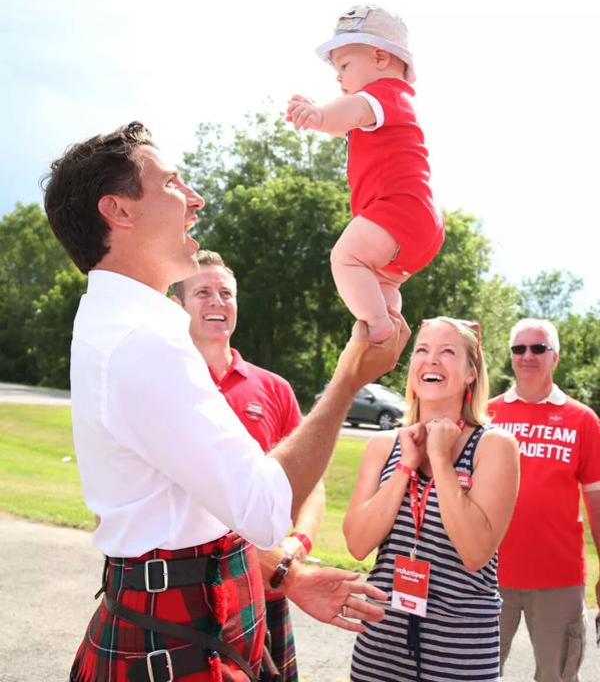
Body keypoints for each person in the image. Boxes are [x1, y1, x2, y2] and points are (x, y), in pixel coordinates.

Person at [42, 121, 409, 682]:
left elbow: (202, 505)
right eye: (172, 184)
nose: (196, 198)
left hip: (186, 613)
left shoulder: (126, 323)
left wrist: (286, 575)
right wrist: (347, 379)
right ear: (118, 211)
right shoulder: (142, 341)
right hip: (180, 630)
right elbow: (264, 510)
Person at [173, 250, 326, 681]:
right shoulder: (167, 382)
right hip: (188, 587)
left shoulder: (273, 387)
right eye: (202, 292)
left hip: (266, 586)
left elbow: (310, 482)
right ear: (177, 306)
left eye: (226, 293)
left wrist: (299, 544)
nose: (217, 302)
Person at [343, 317, 520, 681]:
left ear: (471, 372)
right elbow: (358, 543)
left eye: (447, 352)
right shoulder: (384, 446)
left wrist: (440, 460)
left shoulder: (494, 446)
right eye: (422, 350)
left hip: (460, 653)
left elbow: (475, 551)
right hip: (381, 647)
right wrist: (406, 466)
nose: (431, 361)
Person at [286, 4, 444, 344]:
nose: (339, 77)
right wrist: (323, 115)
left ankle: (378, 327)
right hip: (419, 223)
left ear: (380, 58)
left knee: (345, 258)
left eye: (344, 65)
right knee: (380, 280)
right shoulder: (390, 104)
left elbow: (349, 112)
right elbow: (345, 119)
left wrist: (316, 114)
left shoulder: (383, 95)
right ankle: (389, 328)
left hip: (398, 209)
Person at [488, 318, 600, 682]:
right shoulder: (484, 415)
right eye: (519, 349)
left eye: (538, 348)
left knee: (558, 676)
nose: (527, 356)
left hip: (559, 579)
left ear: (556, 357)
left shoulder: (583, 420)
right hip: (486, 575)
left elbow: (596, 501)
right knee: (474, 674)